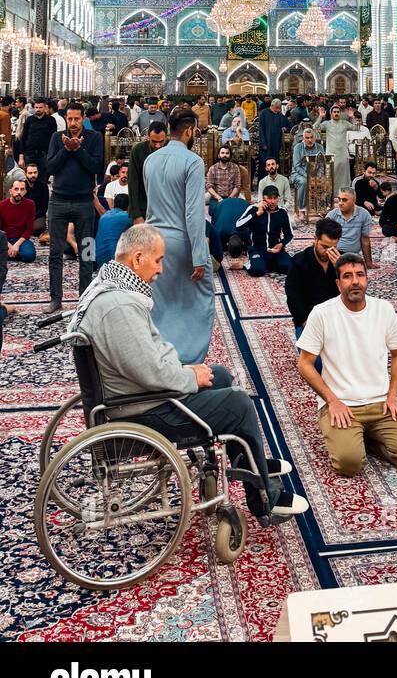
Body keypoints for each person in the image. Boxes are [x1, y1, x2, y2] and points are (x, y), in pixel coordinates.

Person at [72, 222, 307, 520]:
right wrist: (186, 376)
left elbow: (143, 359)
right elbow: (149, 370)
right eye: (157, 261)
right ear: (137, 258)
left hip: (136, 393)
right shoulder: (118, 306)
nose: (160, 270)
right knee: (238, 404)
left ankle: (249, 459)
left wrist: (184, 369)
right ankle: (265, 499)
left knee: (219, 375)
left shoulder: (109, 286)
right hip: (142, 409)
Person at [296, 253, 397, 477]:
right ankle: (355, 439)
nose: (355, 281)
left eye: (360, 275)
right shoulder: (322, 313)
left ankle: (365, 439)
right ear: (338, 283)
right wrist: (331, 401)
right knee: (349, 464)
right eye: (348, 276)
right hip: (341, 404)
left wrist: (393, 395)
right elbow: (304, 364)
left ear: (367, 280)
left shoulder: (383, 309)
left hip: (381, 403)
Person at [143, 107, 213, 366]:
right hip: (181, 241)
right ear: (190, 131)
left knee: (161, 307)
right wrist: (199, 255)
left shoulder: (151, 160)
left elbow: (150, 204)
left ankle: (161, 361)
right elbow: (194, 213)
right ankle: (187, 362)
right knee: (195, 304)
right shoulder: (192, 161)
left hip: (153, 242)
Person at [46, 100, 104, 312]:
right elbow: (50, 168)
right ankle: (55, 299)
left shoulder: (95, 138)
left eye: (76, 119)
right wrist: (66, 149)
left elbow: (96, 167)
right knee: (55, 253)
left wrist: (78, 149)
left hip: (84, 203)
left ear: (83, 119)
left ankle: (85, 298)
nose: (72, 123)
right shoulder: (56, 138)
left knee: (87, 253)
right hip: (59, 201)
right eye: (69, 119)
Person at [285, 216, 342, 334]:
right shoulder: (299, 262)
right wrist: (304, 321)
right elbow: (292, 296)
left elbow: (351, 293)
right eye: (324, 246)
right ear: (315, 239)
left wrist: (341, 270)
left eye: (333, 247)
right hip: (308, 319)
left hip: (336, 319)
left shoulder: (341, 261)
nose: (328, 252)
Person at [235, 185, 294, 277]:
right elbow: (238, 226)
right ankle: (249, 264)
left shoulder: (282, 212)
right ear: (263, 198)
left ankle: (266, 264)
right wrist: (257, 214)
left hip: (275, 250)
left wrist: (281, 244)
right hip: (257, 249)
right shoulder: (253, 209)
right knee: (257, 271)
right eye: (269, 198)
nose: (273, 201)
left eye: (275, 198)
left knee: (290, 267)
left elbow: (289, 235)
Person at [127, 121, 168, 223]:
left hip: (166, 209)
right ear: (148, 136)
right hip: (144, 208)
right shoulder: (138, 150)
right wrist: (136, 214)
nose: (158, 145)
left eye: (161, 141)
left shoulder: (170, 150)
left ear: (166, 137)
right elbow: (133, 182)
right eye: (154, 141)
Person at [314, 105, 353, 195]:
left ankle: (344, 193)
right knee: (331, 174)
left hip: (343, 153)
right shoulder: (327, 124)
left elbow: (357, 128)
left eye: (338, 112)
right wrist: (320, 116)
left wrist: (351, 117)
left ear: (340, 113)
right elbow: (315, 127)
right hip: (331, 153)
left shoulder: (345, 123)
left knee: (344, 175)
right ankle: (331, 194)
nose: (336, 114)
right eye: (334, 112)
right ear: (331, 114)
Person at [328, 188, 373, 266]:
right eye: (339, 199)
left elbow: (365, 240)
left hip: (354, 255)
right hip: (334, 254)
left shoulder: (364, 214)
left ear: (354, 200)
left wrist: (369, 263)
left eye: (344, 200)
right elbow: (325, 240)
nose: (340, 203)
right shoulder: (331, 215)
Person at [0, 178, 37, 271]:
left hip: (21, 239)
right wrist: (9, 245)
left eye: (22, 189)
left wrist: (16, 245)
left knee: (30, 256)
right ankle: (13, 253)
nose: (19, 192)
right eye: (16, 189)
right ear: (10, 191)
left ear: (25, 191)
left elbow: (29, 229)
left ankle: (11, 253)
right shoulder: (1, 205)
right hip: (4, 239)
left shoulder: (30, 204)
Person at [290, 126, 325, 210]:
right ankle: (301, 208)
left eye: (311, 137)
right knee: (304, 182)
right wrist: (308, 175)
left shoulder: (320, 147)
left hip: (315, 172)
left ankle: (320, 206)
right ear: (303, 138)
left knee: (326, 180)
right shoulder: (298, 147)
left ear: (315, 137)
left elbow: (322, 165)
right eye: (307, 138)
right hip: (299, 173)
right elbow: (297, 166)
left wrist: (319, 175)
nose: (310, 140)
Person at [94, 192, 132, 268]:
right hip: (115, 260)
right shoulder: (128, 217)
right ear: (129, 205)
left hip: (98, 259)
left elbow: (98, 205)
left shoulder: (104, 216)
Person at [258, 97, 289, 175]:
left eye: (279, 108)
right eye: (276, 108)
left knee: (275, 161)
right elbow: (261, 129)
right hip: (266, 142)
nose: (278, 110)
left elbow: (287, 124)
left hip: (276, 143)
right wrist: (263, 143)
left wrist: (285, 128)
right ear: (272, 106)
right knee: (265, 162)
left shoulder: (279, 114)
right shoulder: (263, 113)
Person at [23, 159, 49, 234]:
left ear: (38, 173)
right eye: (30, 173)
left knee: (38, 228)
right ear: (26, 174)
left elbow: (44, 206)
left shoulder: (43, 186)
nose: (33, 175)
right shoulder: (22, 186)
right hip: (24, 215)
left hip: (38, 215)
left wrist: (34, 216)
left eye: (35, 172)